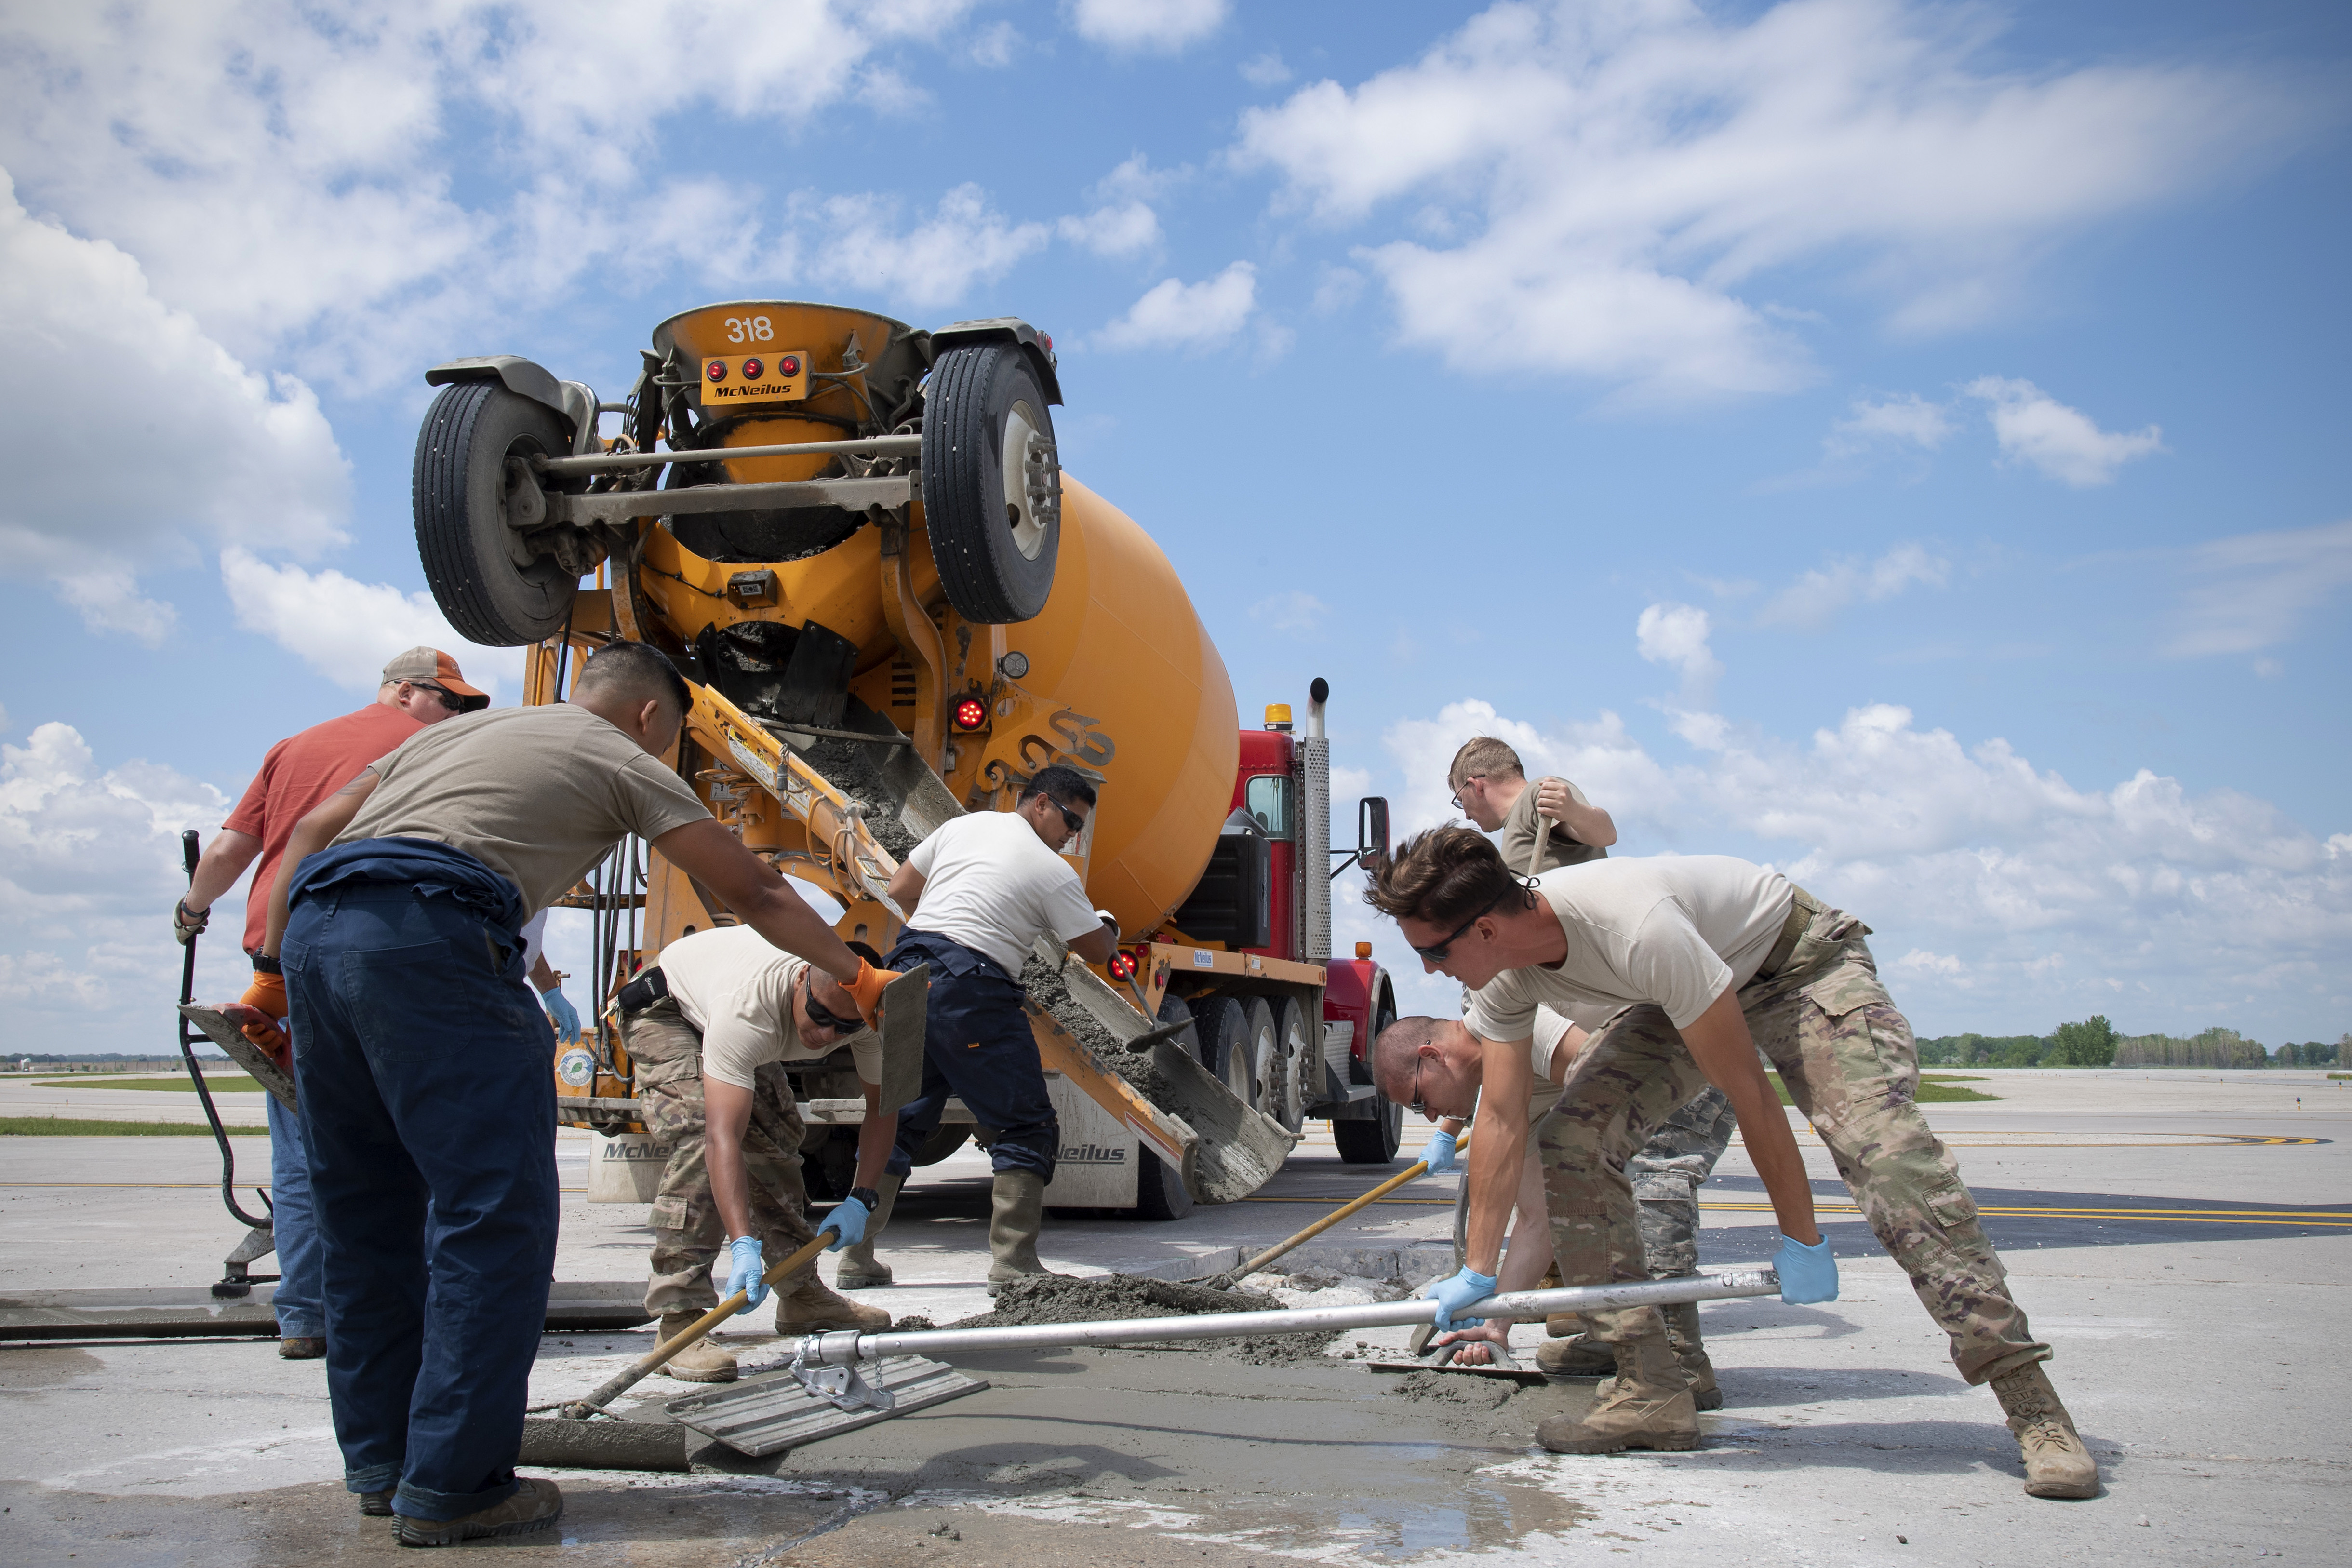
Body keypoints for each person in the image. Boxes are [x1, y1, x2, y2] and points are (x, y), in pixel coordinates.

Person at [258, 641, 898, 1546]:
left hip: (322, 933)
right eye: (675, 735)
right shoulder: (619, 753)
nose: (669, 752)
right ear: (648, 715)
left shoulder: (447, 740)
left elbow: (316, 830)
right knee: (491, 1216)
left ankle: (383, 1464)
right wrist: (856, 974)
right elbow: (753, 885)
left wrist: (272, 975)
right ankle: (456, 1485)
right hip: (438, 940)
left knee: (364, 1212)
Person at [1364, 829, 2098, 1499]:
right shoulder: (1504, 979)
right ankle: (1649, 1388)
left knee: (1895, 1168)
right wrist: (1480, 1272)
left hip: (1800, 969)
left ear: (1486, 928)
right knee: (1574, 1141)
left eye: (1434, 951)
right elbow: (1499, 1119)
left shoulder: (1635, 927)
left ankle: (2034, 1406)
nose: (1429, 968)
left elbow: (1750, 1092)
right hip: (1678, 996)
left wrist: (1800, 1233)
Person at [174, 646, 488, 1361]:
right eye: (450, 700)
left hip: (289, 969)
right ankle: (439, 1312)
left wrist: (192, 910)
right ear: (405, 691)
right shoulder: (445, 751)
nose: (456, 715)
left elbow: (227, 853)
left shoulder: (295, 748)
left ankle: (310, 1315)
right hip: (412, 957)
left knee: (310, 1146)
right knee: (431, 1140)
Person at [1442, 736, 1737, 1392]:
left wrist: (1573, 804)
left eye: (1458, 796)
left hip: (1648, 1027)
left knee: (1645, 1183)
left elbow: (1600, 828)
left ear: (1477, 780)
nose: (1462, 811)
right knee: (1575, 1182)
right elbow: (1534, 1202)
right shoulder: (1507, 891)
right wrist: (1493, 1314)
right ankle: (1613, 1337)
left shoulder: (1532, 813)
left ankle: (1678, 1363)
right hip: (1599, 1015)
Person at [870, 765, 1118, 1290]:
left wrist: (942, 933)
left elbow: (899, 887)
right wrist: (1108, 928)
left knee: (897, 1122)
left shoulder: (966, 825)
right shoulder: (1051, 871)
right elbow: (1096, 950)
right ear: (1042, 803)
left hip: (906, 975)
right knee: (1025, 1123)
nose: (1071, 835)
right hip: (972, 990)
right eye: (1070, 820)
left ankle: (854, 1255)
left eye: (1079, 828)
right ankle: (1013, 1264)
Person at [617, 925, 896, 1382]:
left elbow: (884, 1107)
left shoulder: (867, 1018)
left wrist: (862, 1196)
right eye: (819, 1014)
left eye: (844, 1027)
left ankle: (800, 1292)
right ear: (802, 979)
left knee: (778, 1137)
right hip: (667, 1010)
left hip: (733, 1010)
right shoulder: (749, 1009)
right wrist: (743, 1242)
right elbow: (720, 1136)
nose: (826, 1035)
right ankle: (679, 1316)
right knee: (696, 1131)